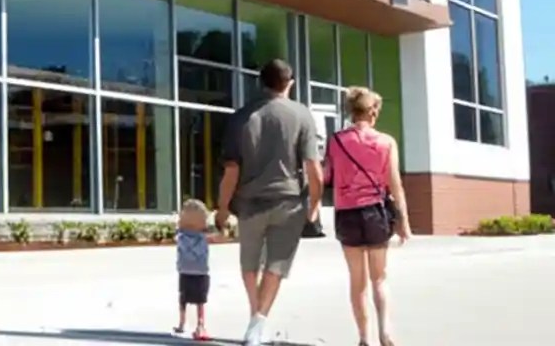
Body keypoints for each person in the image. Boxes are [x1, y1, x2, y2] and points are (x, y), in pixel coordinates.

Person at [216, 59, 323, 346]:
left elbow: (232, 171)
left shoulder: (240, 118)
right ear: (290, 83)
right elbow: (313, 166)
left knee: (249, 264)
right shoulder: (302, 115)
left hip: (249, 203)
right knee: (276, 264)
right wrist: (314, 205)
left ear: (260, 82)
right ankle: (258, 320)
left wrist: (223, 208)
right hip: (289, 204)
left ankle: (255, 320)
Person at [327, 87, 411, 346]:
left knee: (357, 281)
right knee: (380, 277)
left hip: (347, 214)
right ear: (373, 111)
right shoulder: (386, 142)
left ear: (351, 111)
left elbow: (326, 175)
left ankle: (364, 338)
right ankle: (385, 333)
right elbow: (395, 185)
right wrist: (404, 222)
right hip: (375, 212)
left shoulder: (336, 141)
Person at [173, 199, 213, 341]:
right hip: (201, 271)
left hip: (185, 270)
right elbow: (219, 235)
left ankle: (182, 322)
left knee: (183, 298)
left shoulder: (181, 235)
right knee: (200, 301)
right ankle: (200, 324)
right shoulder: (204, 236)